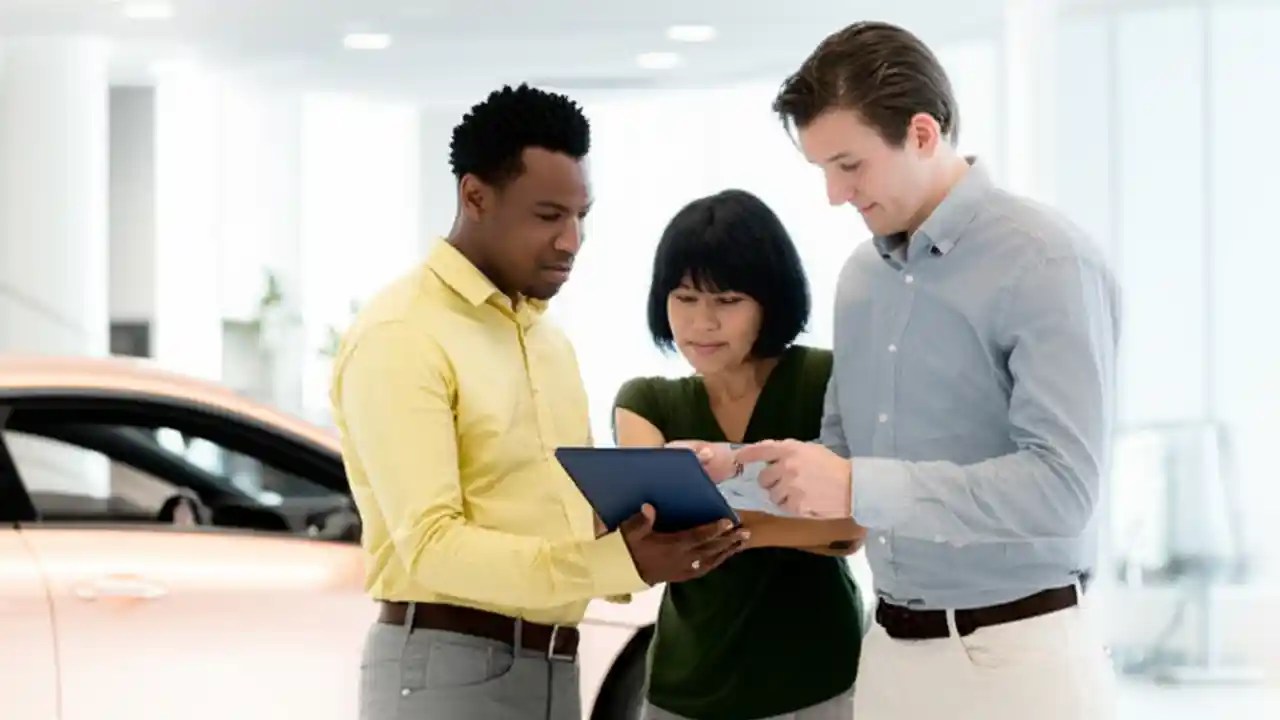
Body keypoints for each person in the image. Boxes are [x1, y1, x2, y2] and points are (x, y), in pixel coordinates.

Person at [705, 21, 1121, 720]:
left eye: (850, 165)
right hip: (892, 657)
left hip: (1020, 662)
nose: (835, 195)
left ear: (923, 135)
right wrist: (729, 469)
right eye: (823, 171)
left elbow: (1063, 488)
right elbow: (840, 462)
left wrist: (856, 482)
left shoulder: (1047, 261)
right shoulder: (862, 280)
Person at [329, 84, 749, 720]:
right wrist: (613, 560)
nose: (571, 241)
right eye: (548, 215)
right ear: (474, 197)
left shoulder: (548, 341)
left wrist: (651, 515)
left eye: (582, 216)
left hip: (554, 663)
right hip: (447, 665)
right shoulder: (403, 334)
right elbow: (433, 544)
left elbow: (555, 521)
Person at [614, 189, 865, 720]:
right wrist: (789, 524)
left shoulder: (826, 380)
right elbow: (656, 531)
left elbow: (851, 526)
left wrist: (718, 516)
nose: (702, 323)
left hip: (816, 677)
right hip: (685, 683)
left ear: (768, 302)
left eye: (726, 301)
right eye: (684, 298)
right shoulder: (645, 402)